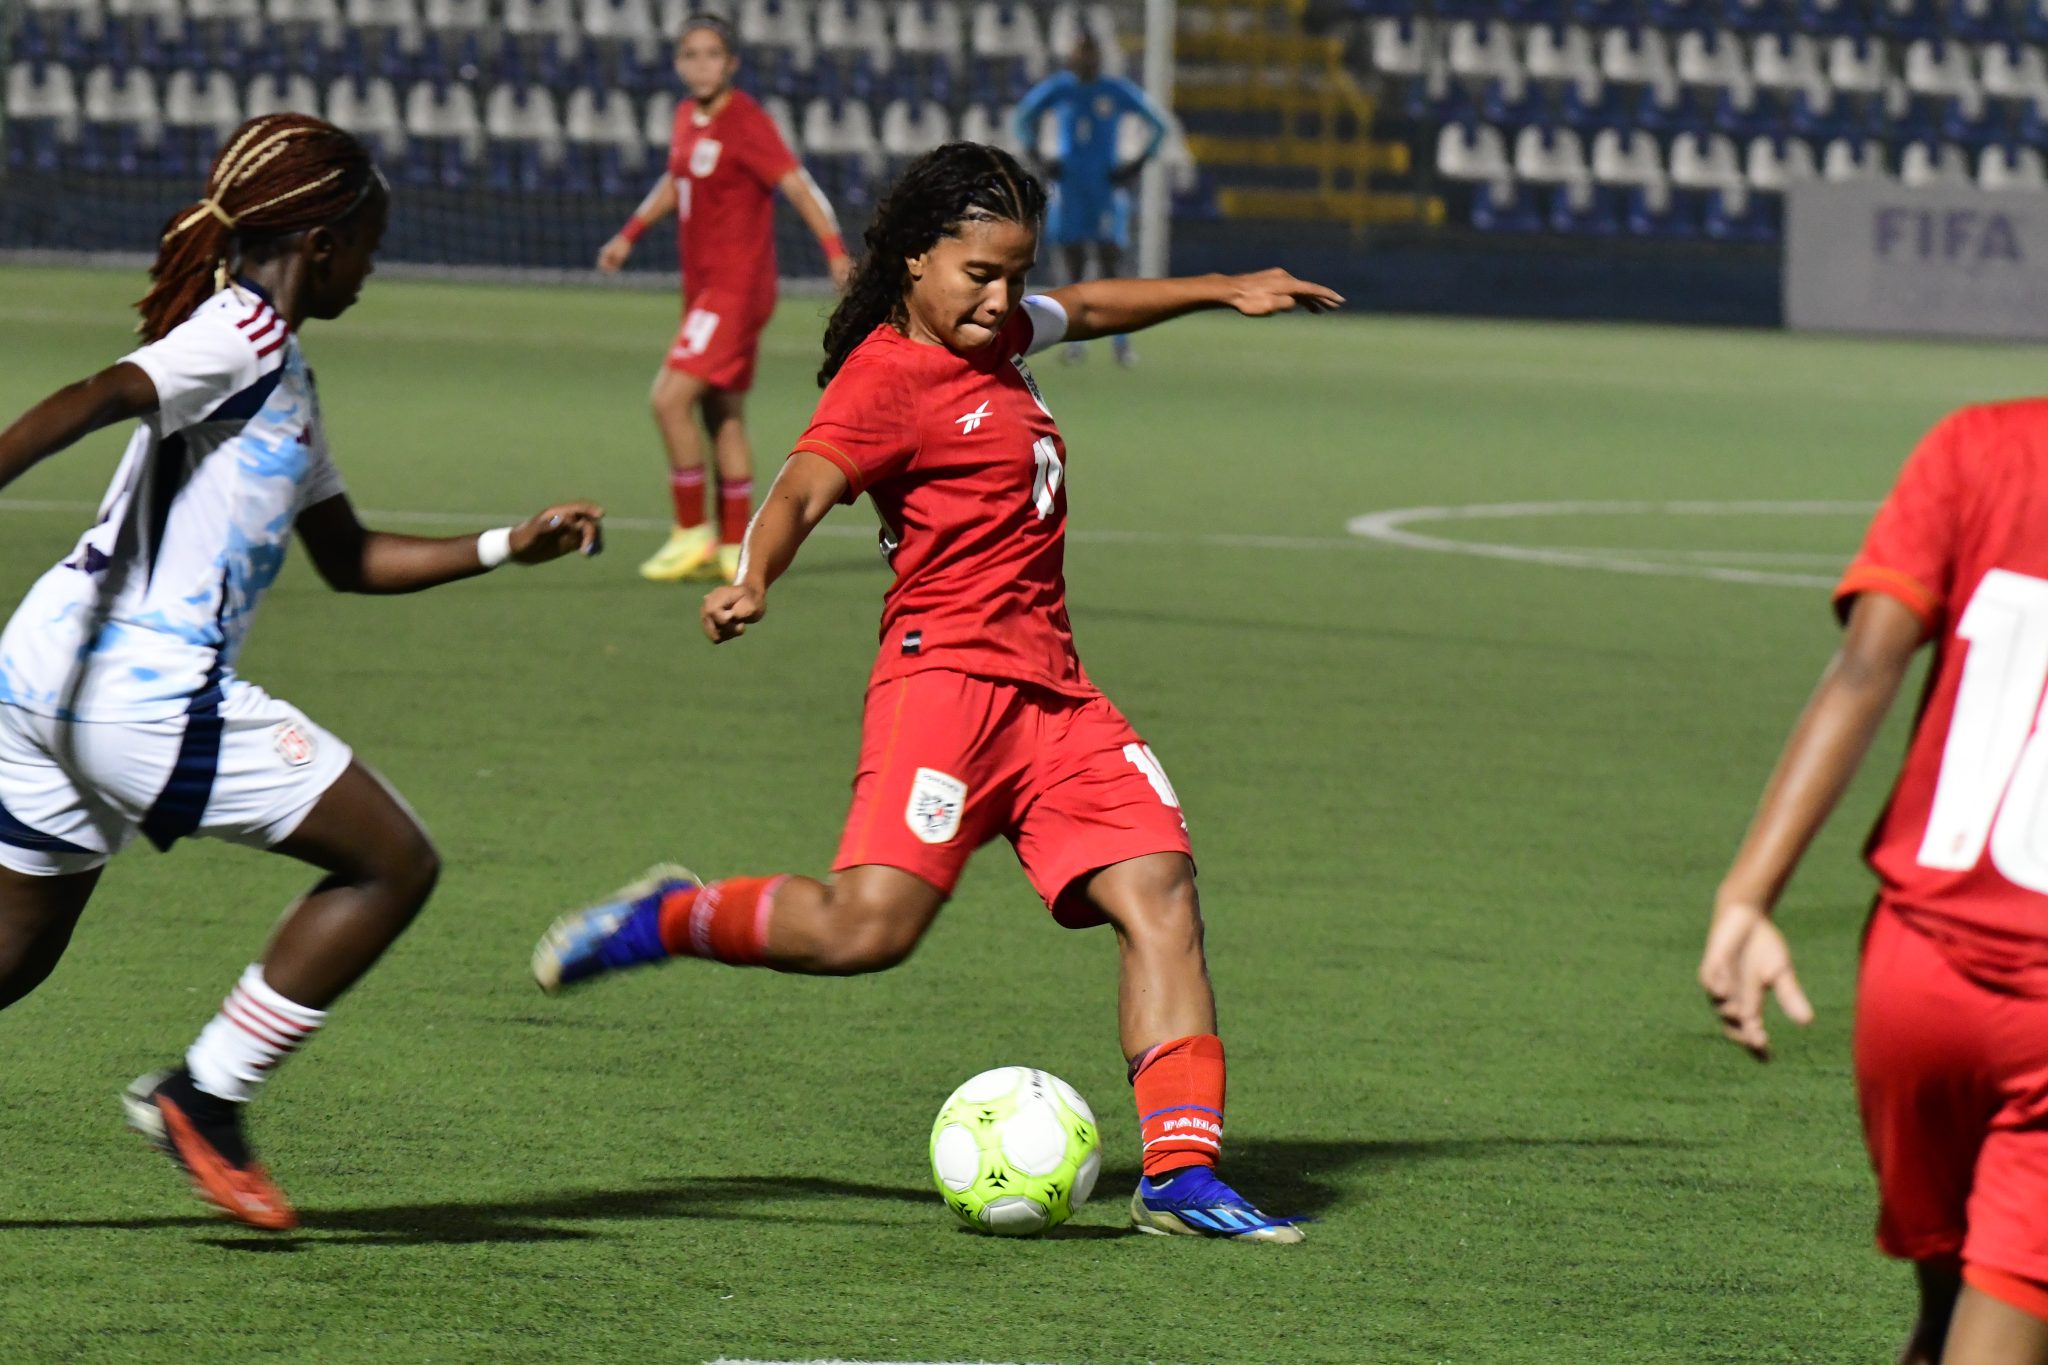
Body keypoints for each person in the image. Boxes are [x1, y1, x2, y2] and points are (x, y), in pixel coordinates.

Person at [534, 141, 1339, 1242]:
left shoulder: (996, 330)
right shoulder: (886, 375)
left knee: (1158, 888)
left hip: (1053, 695)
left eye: (1015, 274)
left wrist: (1217, 288)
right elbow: (802, 484)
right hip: (945, 687)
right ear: (915, 261)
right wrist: (751, 576)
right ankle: (666, 916)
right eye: (981, 275)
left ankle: (1181, 1177)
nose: (1004, 299)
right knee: (865, 933)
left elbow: (1092, 307)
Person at [0, 113, 605, 1231]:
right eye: (368, 244)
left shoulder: (284, 377)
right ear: (321, 243)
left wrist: (502, 545)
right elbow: (98, 394)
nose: (371, 267)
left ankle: (205, 1092)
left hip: (45, 670)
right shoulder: (239, 336)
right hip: (134, 685)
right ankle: (206, 1094)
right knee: (393, 862)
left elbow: (351, 558)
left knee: (12, 953)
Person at [1702, 404, 2048, 1362]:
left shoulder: (1980, 444)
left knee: (1948, 1312)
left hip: (1912, 980)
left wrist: (1746, 895)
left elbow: (1866, 668)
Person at [599, 14, 856, 585]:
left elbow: (797, 184)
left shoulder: (747, 121)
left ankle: (690, 533)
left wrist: (835, 251)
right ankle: (733, 543)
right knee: (722, 413)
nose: (701, 64)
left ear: (731, 63)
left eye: (712, 54)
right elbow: (676, 180)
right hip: (704, 289)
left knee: (669, 400)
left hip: (736, 290)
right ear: (677, 63)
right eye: (690, 54)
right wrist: (629, 234)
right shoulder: (685, 117)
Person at [1011, 33, 1169, 367]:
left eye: (1090, 53)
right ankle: (1074, 344)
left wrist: (1137, 163)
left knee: (1111, 265)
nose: (1085, 59)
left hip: (1104, 190)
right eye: (1080, 53)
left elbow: (1158, 125)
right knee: (1074, 266)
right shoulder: (1060, 89)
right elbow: (1023, 118)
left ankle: (1121, 343)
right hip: (1069, 189)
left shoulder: (1114, 91)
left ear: (1099, 57)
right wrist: (1038, 155)